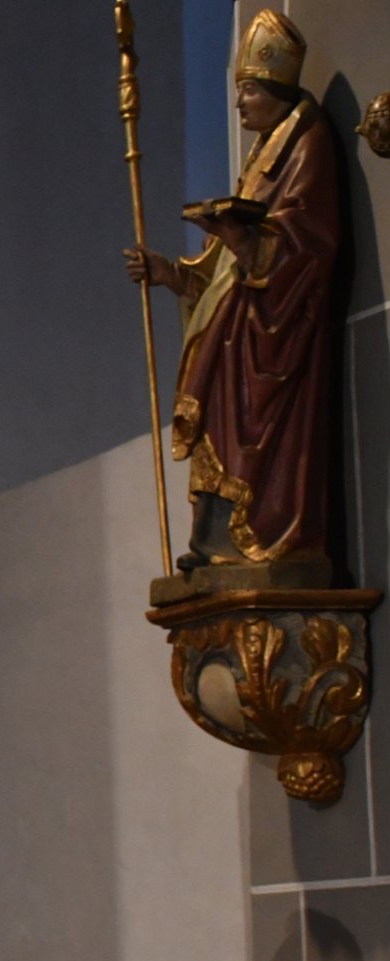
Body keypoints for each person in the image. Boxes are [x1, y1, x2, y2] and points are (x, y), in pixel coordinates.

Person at [121, 9, 340, 579]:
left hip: (273, 330)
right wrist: (171, 273)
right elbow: (218, 271)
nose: (239, 104)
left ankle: (261, 537)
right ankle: (217, 541)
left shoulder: (307, 143)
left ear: (273, 88)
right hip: (238, 328)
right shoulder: (265, 152)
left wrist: (249, 240)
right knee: (222, 430)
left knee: (259, 435)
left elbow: (309, 242)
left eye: (246, 92)